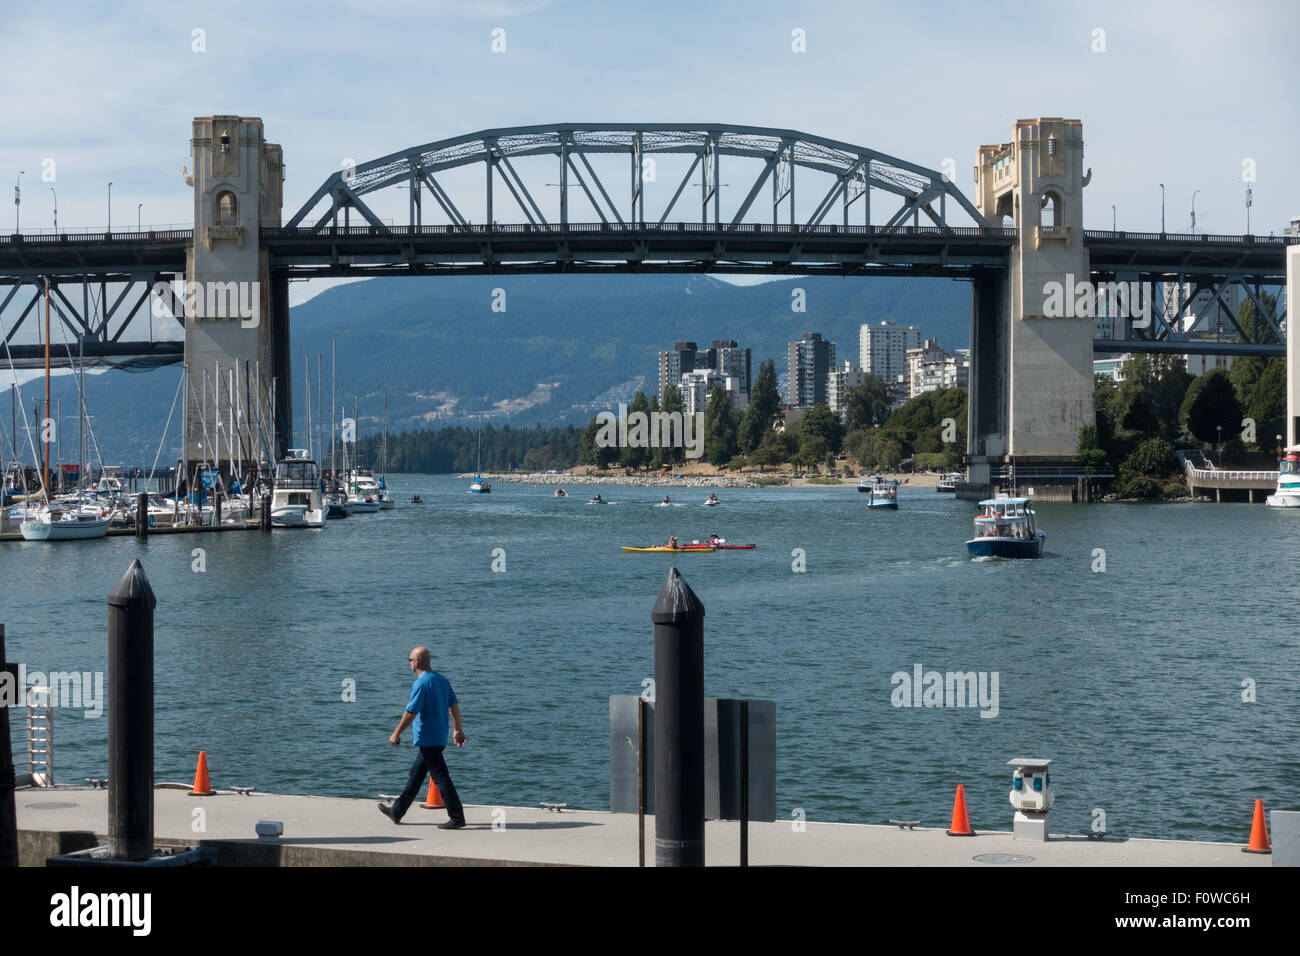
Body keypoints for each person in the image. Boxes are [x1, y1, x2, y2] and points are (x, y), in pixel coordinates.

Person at [378, 646, 467, 829]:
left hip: (428, 738)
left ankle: (457, 817)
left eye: (410, 660)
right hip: (438, 736)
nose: (409, 663)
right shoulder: (441, 680)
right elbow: (455, 706)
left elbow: (410, 712)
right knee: (416, 775)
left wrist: (396, 733)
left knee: (441, 778)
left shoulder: (421, 683)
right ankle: (397, 812)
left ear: (417, 662)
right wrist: (457, 729)